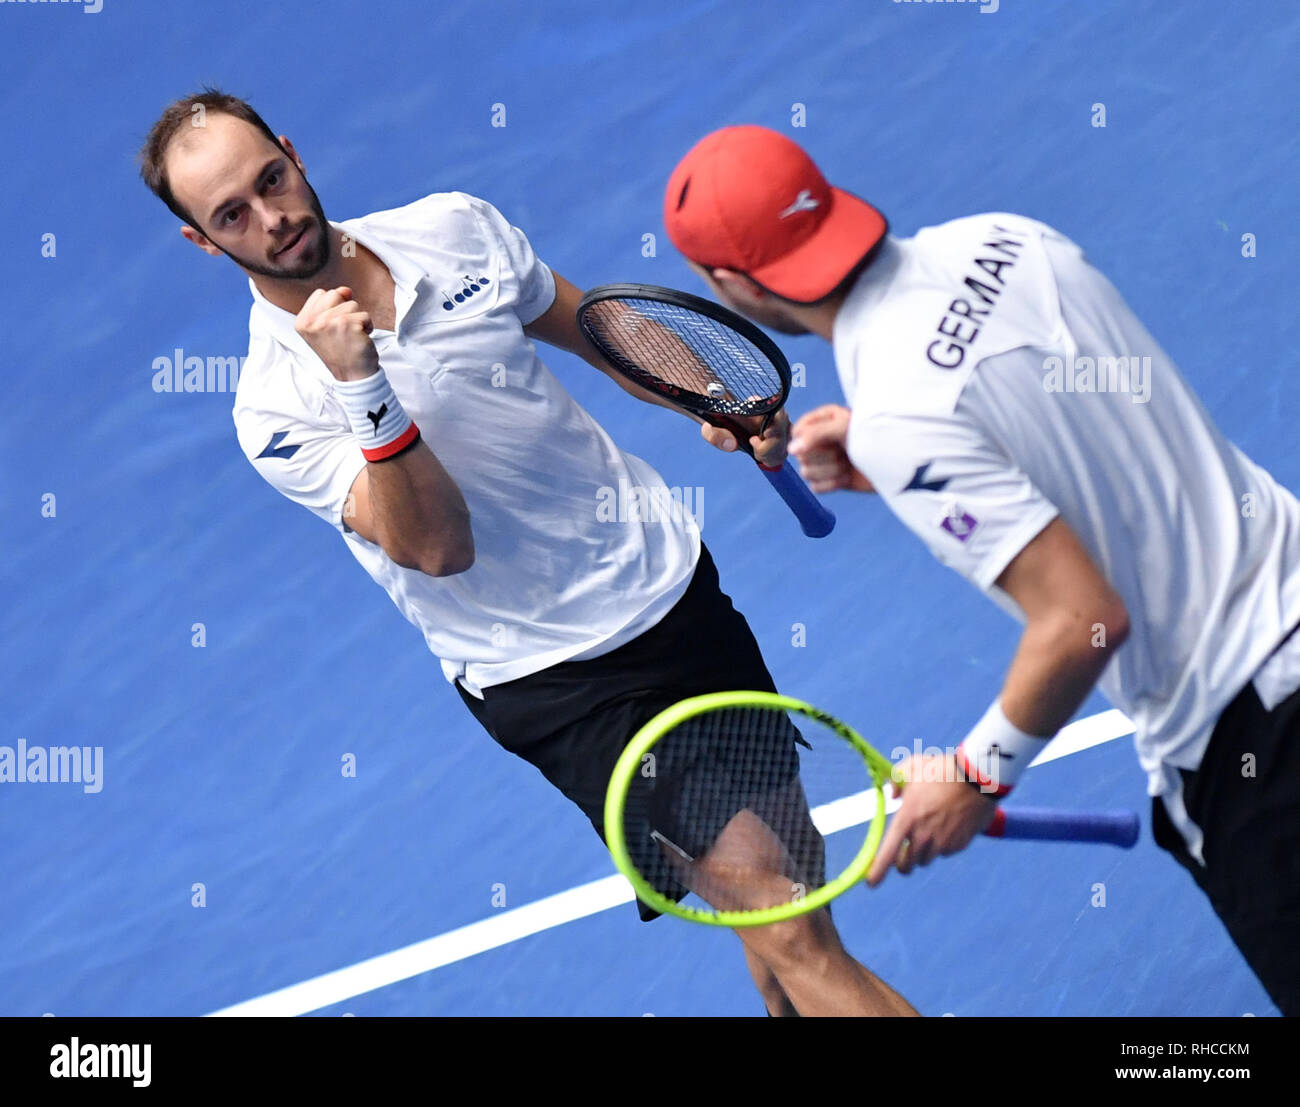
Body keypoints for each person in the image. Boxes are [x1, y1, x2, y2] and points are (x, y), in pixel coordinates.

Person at [136, 91, 917, 1017]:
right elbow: (436, 544)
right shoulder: (274, 407)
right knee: (789, 922)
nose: (273, 218)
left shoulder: (453, 228)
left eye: (272, 179)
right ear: (202, 241)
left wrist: (714, 395)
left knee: (794, 880)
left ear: (295, 154)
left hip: (662, 583)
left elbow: (598, 325)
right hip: (554, 678)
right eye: (232, 214)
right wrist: (361, 385)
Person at [663, 123, 1300, 1016]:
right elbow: (1092, 414)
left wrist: (972, 775)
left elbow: (1083, 617)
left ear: (730, 283)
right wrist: (926, 461)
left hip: (1255, 740)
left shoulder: (900, 411)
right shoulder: (1007, 238)